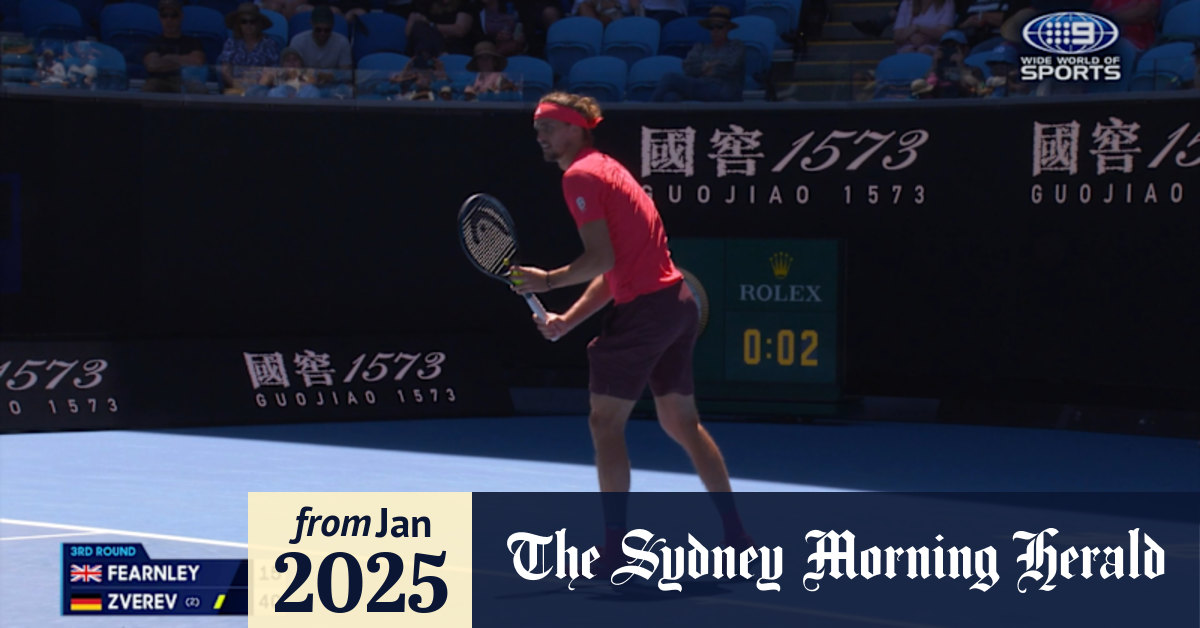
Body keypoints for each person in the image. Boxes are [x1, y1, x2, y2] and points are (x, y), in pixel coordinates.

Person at [510, 92, 751, 558]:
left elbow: (601, 258)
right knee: (682, 422)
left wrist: (549, 279)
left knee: (605, 422)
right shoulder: (608, 168)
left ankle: (615, 549)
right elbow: (615, 267)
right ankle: (738, 536)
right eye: (536, 126)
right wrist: (570, 319)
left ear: (576, 130)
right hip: (675, 304)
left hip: (647, 312)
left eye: (549, 126)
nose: (540, 135)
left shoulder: (581, 175)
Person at [650, 6, 746, 102]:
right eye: (711, 27)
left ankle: (648, 112)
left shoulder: (736, 46)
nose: (715, 31)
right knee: (671, 97)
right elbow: (688, 67)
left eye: (719, 26)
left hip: (725, 90)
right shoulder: (701, 47)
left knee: (670, 78)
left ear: (727, 28)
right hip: (701, 87)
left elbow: (731, 66)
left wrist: (703, 68)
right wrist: (710, 65)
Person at [142, 0, 207, 94]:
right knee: (150, 87)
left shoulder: (193, 42)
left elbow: (198, 62)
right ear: (160, 18)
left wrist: (167, 58)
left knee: (199, 90)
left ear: (181, 16)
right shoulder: (153, 42)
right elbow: (152, 65)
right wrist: (183, 63)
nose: (169, 20)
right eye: (164, 15)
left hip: (188, 80)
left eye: (174, 15)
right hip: (160, 81)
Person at [217, 2, 281, 92]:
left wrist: (255, 90)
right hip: (235, 89)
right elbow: (225, 71)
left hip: (261, 91)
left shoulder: (269, 44)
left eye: (252, 21)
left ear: (258, 23)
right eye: (244, 21)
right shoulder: (231, 43)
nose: (248, 25)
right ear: (238, 24)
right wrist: (239, 87)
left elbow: (273, 71)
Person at [288, 5, 352, 70]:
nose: (322, 33)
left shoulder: (342, 42)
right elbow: (293, 71)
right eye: (318, 30)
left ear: (332, 26)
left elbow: (345, 73)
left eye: (327, 30)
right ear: (312, 24)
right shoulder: (298, 41)